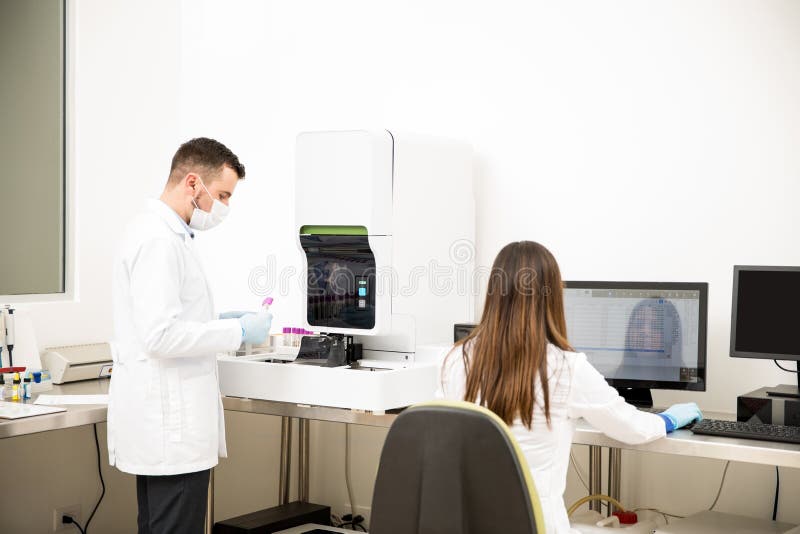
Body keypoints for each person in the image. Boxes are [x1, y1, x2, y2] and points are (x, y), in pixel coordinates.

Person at [438, 241, 701, 534]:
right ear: (551, 298)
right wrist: (669, 418)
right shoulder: (565, 367)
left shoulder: (456, 360)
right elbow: (631, 427)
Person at [108, 138, 272, 534]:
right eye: (222, 195)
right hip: (171, 433)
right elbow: (160, 336)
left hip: (163, 430)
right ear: (193, 183)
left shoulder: (165, 235)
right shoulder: (159, 240)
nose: (224, 208)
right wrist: (236, 330)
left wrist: (217, 319)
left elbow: (168, 318)